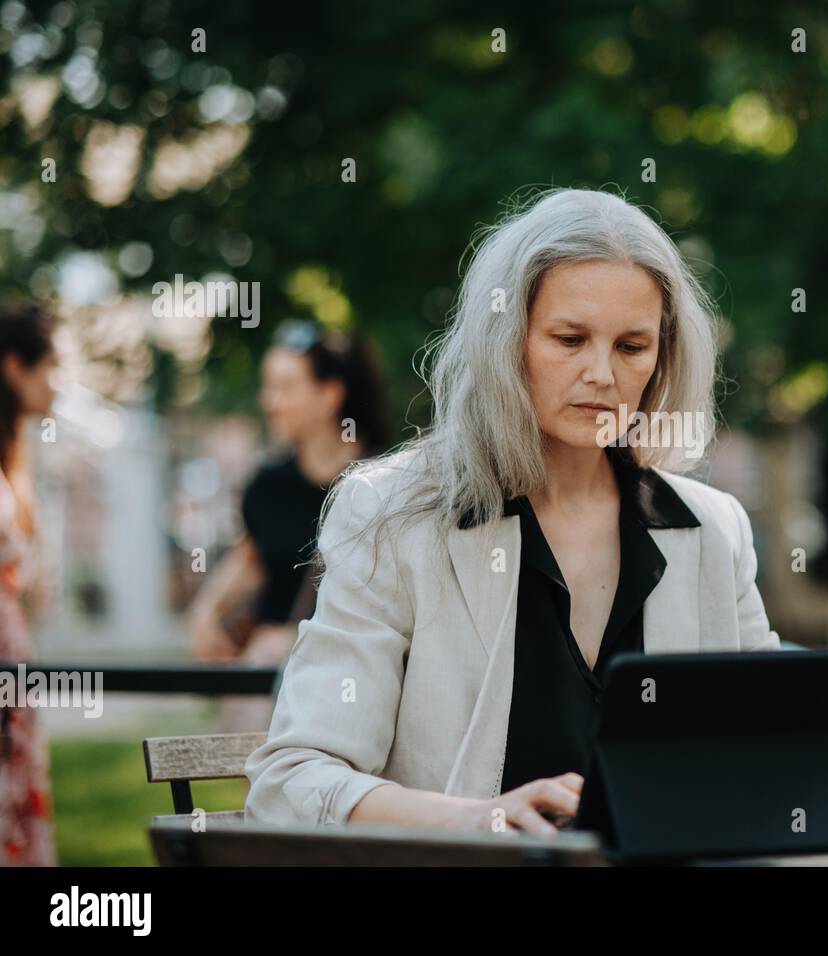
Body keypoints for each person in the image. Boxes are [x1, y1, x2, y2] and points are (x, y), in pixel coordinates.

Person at [244, 187, 779, 836]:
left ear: (662, 359)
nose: (602, 375)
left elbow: (772, 753)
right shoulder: (391, 513)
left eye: (632, 347)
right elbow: (292, 782)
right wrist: (479, 818)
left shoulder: (713, 531)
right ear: (506, 342)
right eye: (570, 339)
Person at [188, 320, 390, 732]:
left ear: (329, 395)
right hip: (273, 696)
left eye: (284, 387)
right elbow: (254, 559)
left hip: (353, 690)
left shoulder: (385, 483)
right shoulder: (268, 486)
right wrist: (205, 611)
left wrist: (299, 639)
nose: (269, 401)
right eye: (268, 386)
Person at [0, 302, 59, 866]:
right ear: (14, 367)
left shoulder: (17, 451)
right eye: (50, 368)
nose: (57, 385)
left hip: (14, 659)